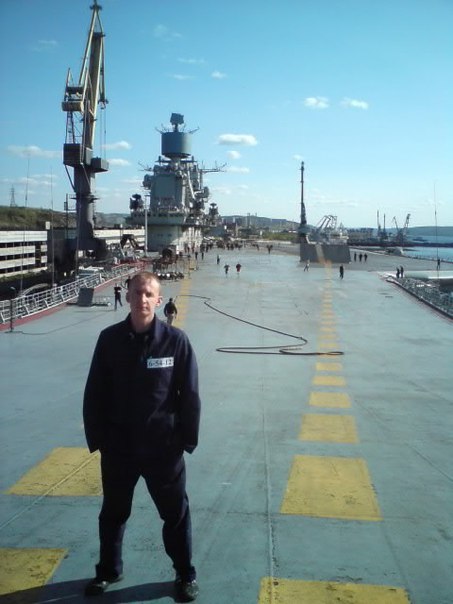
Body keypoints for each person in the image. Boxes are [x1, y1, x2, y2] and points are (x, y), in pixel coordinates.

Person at [83, 271, 201, 601]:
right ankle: (108, 570)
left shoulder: (176, 341)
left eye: (149, 294)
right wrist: (98, 439)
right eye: (137, 293)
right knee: (113, 512)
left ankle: (185, 573)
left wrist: (186, 441)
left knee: (175, 515)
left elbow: (189, 394)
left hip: (163, 448)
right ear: (127, 296)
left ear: (159, 300)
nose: (142, 299)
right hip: (119, 448)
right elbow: (95, 391)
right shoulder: (109, 340)